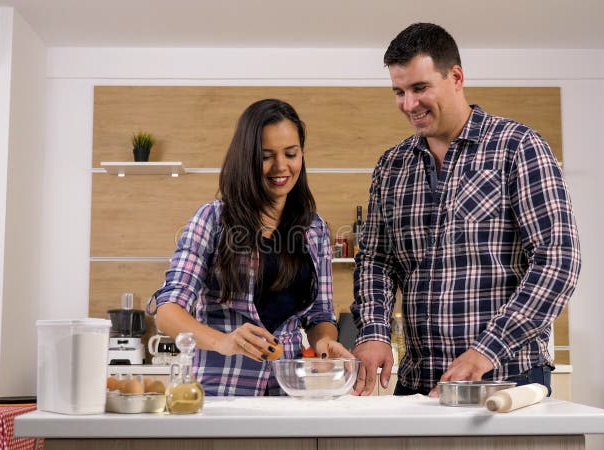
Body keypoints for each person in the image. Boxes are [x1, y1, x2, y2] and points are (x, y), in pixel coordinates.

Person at [351, 23, 581, 397]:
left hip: (506, 378)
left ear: (456, 76)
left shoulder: (518, 148)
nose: (409, 105)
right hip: (418, 383)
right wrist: (374, 330)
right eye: (399, 91)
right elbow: (376, 260)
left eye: (420, 88)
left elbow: (557, 260)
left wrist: (484, 351)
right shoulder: (391, 166)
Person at [149, 98, 352, 396]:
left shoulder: (314, 229)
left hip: (288, 393)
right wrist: (224, 341)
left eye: (291, 153)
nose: (281, 167)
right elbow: (168, 311)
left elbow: (320, 315)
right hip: (222, 394)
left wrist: (323, 344)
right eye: (266, 156)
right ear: (246, 158)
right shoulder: (213, 220)